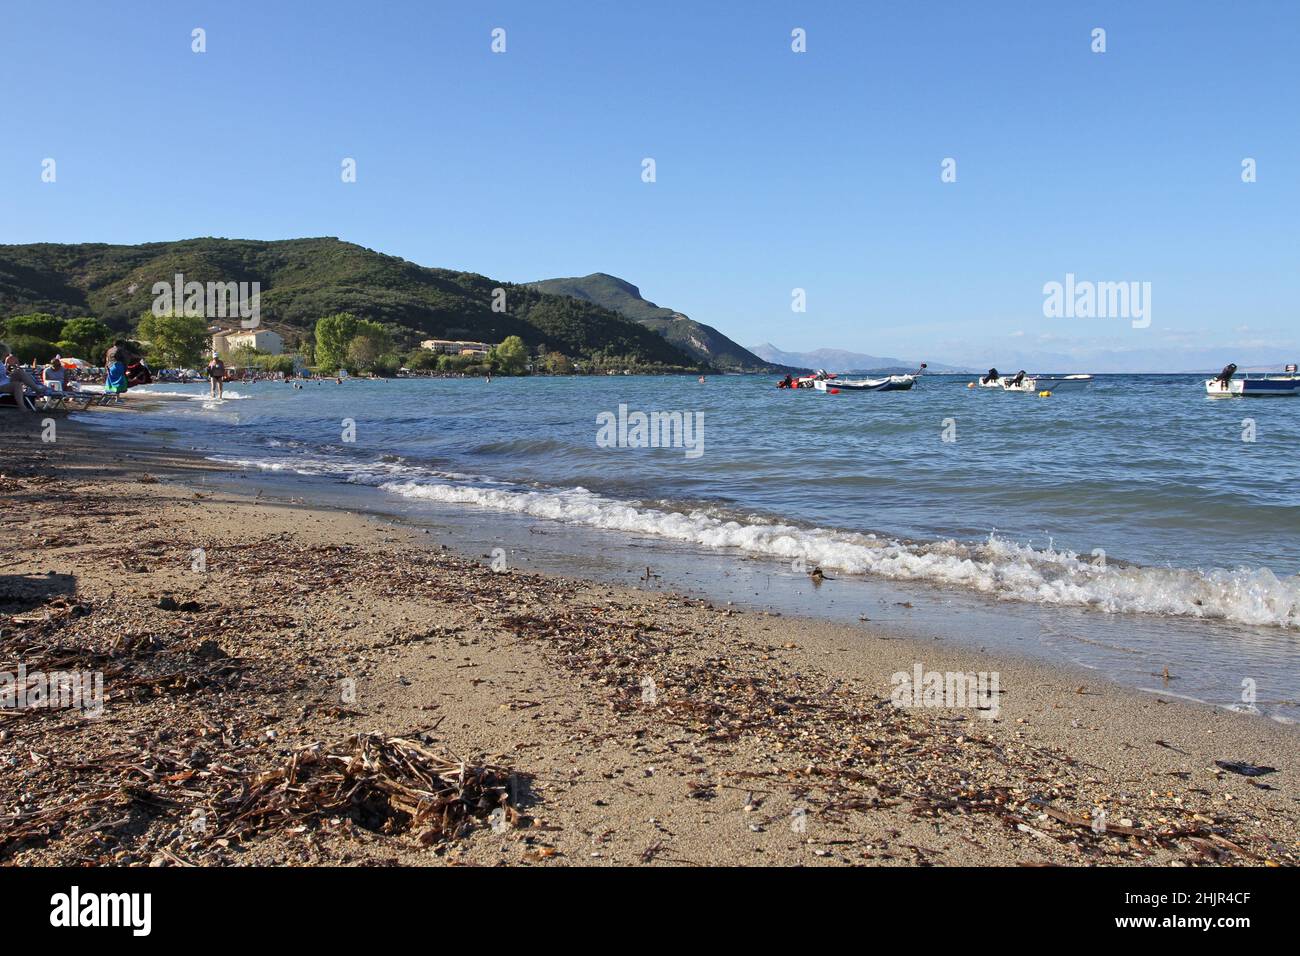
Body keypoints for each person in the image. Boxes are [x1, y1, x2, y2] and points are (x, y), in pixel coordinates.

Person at [0, 344, 40, 412]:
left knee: (19, 372)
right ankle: (22, 407)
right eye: (5, 354)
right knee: (17, 385)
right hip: (1, 384)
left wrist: (10, 372)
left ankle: (37, 389)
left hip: (4, 381)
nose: (6, 356)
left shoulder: (0, 362)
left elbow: (3, 373)